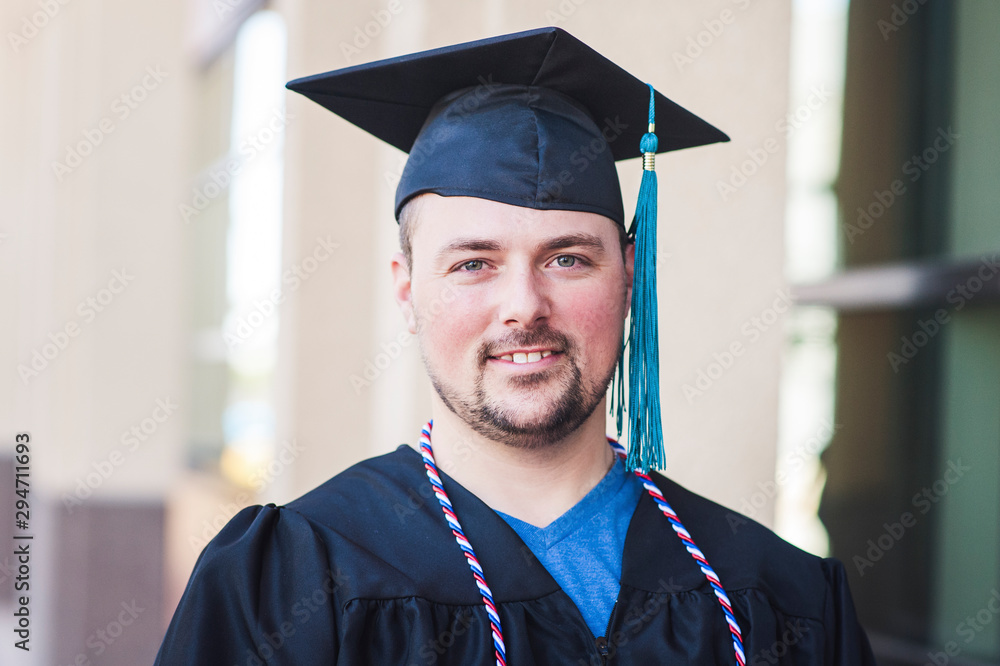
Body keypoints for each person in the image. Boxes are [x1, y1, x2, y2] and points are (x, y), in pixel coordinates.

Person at [155, 27, 876, 665]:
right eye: (474, 263)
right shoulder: (294, 585)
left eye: (568, 259)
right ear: (407, 288)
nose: (524, 307)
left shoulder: (774, 596)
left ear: (629, 275)